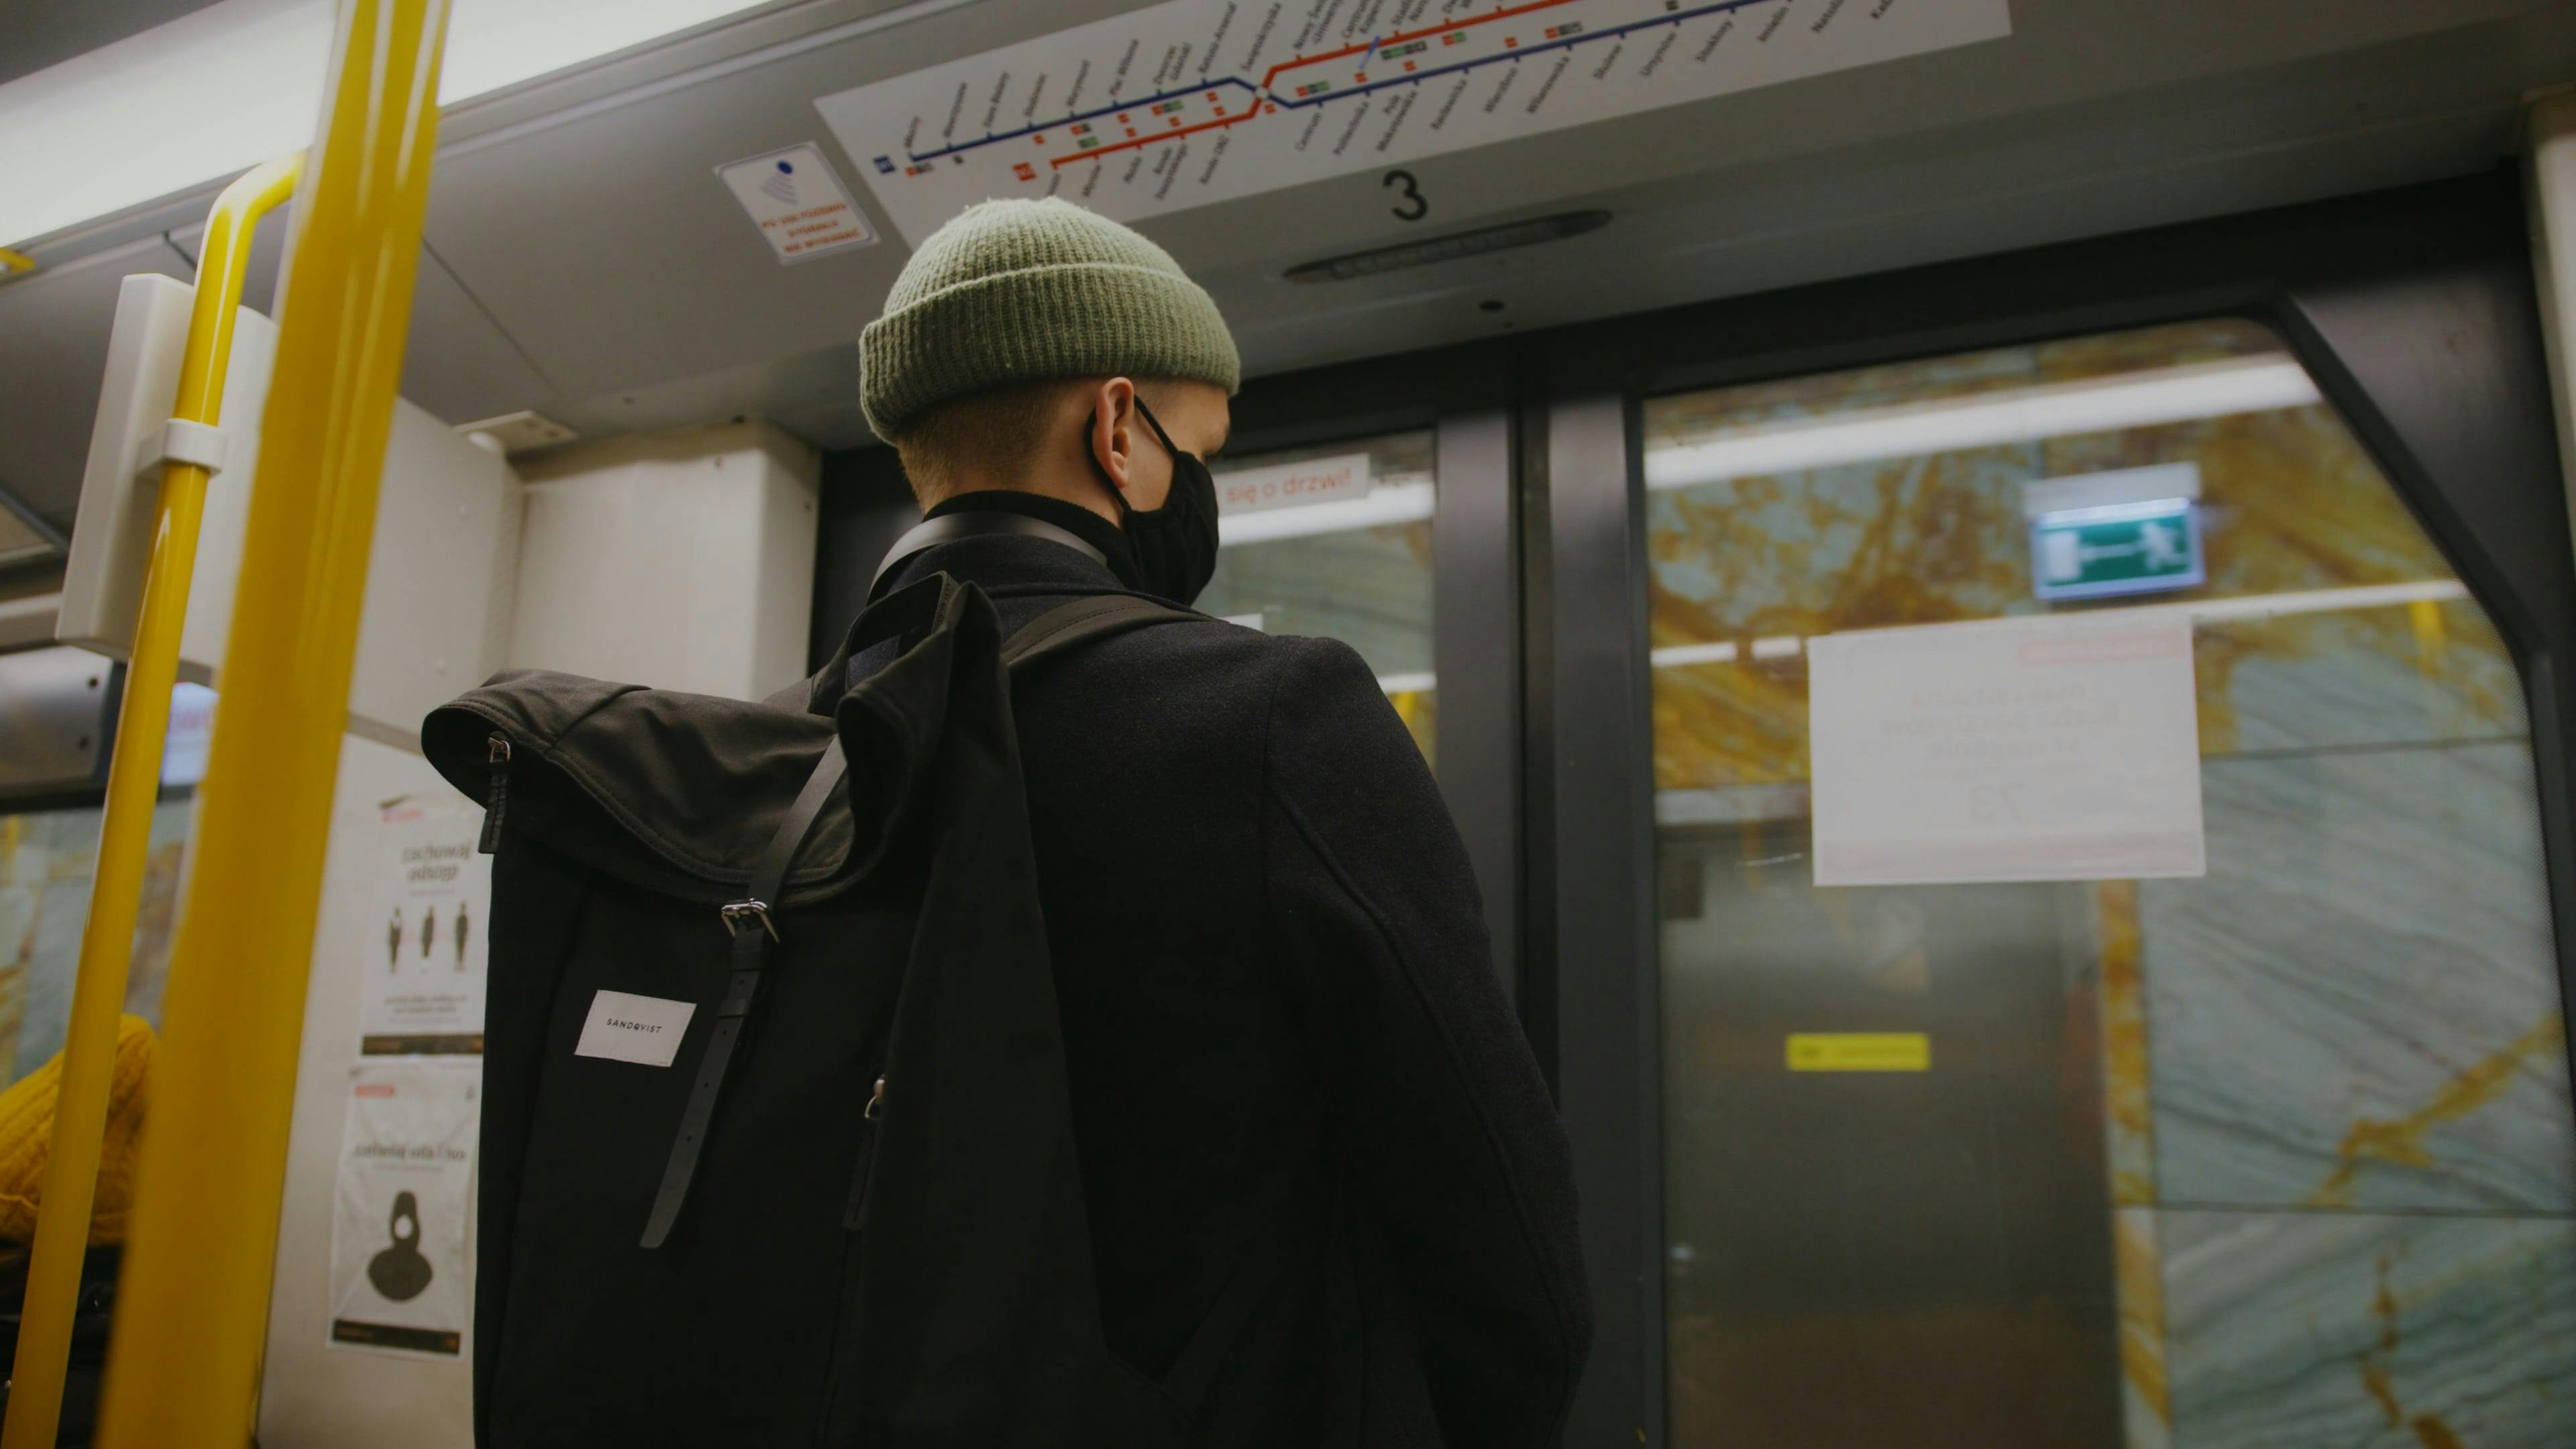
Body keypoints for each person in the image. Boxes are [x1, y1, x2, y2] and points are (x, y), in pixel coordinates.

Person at [830, 197, 1589, 1445]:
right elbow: (1488, 1207)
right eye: (1202, 447)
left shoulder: (794, 751)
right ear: (1118, 429)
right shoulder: (1276, 714)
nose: (1202, 487)